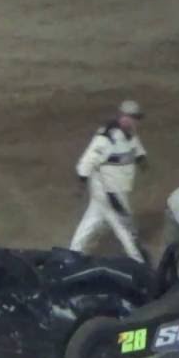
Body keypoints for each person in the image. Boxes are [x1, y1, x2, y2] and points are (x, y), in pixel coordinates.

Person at [69, 100, 149, 263]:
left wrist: (141, 158)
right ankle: (138, 261)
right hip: (108, 191)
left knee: (91, 221)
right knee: (122, 225)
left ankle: (72, 254)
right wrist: (82, 183)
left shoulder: (130, 133)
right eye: (134, 118)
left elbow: (135, 147)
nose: (136, 122)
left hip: (116, 190)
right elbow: (87, 161)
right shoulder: (106, 138)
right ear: (124, 117)